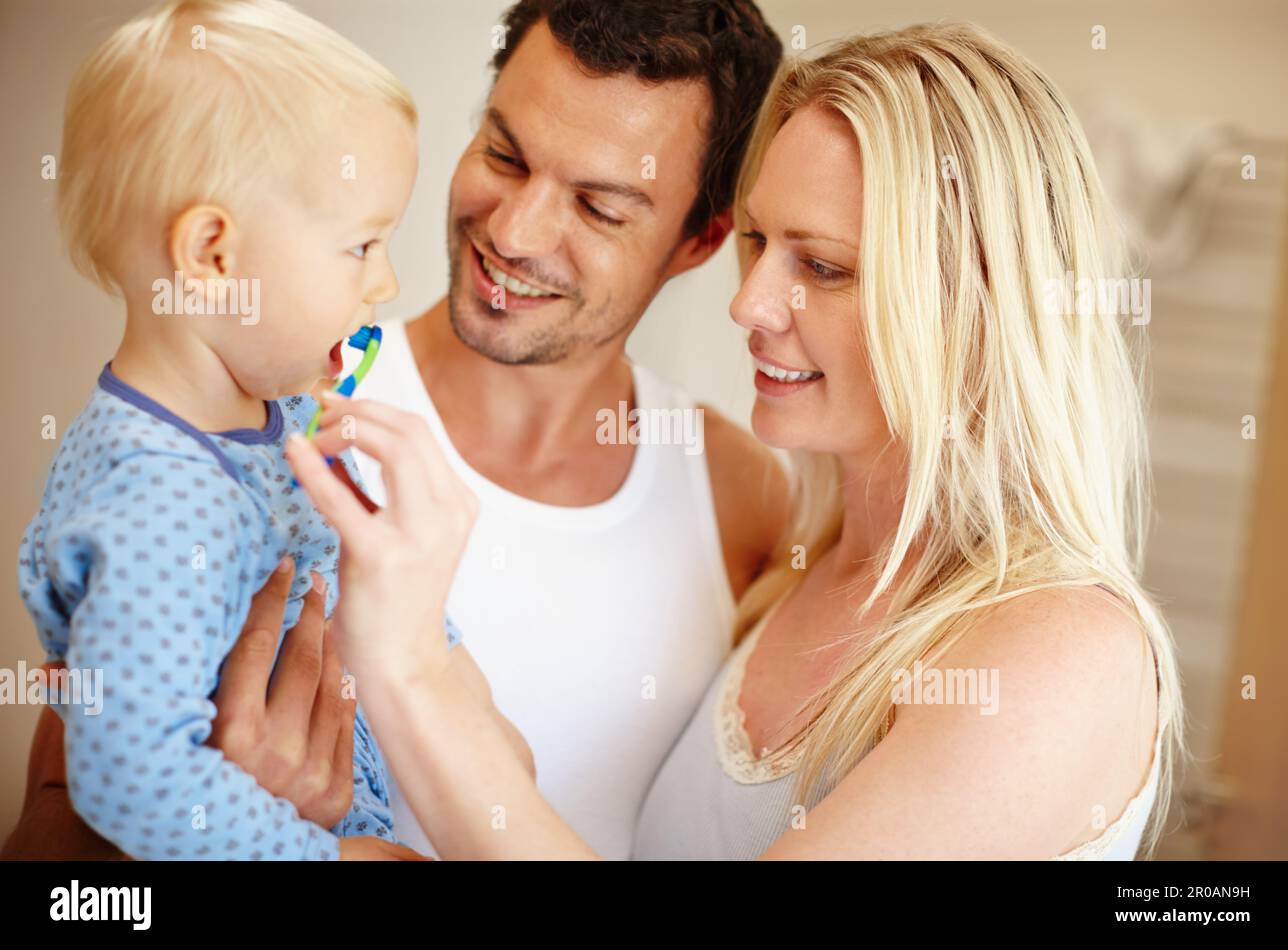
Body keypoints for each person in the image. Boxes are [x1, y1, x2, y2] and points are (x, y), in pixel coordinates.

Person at [287, 21, 1187, 860]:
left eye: (824, 268)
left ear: (982, 310)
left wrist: (406, 666)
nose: (747, 303)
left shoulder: (1065, 650)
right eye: (760, 243)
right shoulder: (800, 574)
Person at [6, 0, 788, 861]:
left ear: (699, 240)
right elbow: (56, 849)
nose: (515, 231)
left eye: (600, 206)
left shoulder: (741, 494)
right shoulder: (271, 411)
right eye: (504, 154)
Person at [13, 0, 469, 860]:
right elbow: (135, 776)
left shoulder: (270, 412)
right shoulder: (161, 494)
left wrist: (457, 690)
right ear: (215, 257)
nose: (387, 282)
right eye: (362, 245)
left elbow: (358, 587)